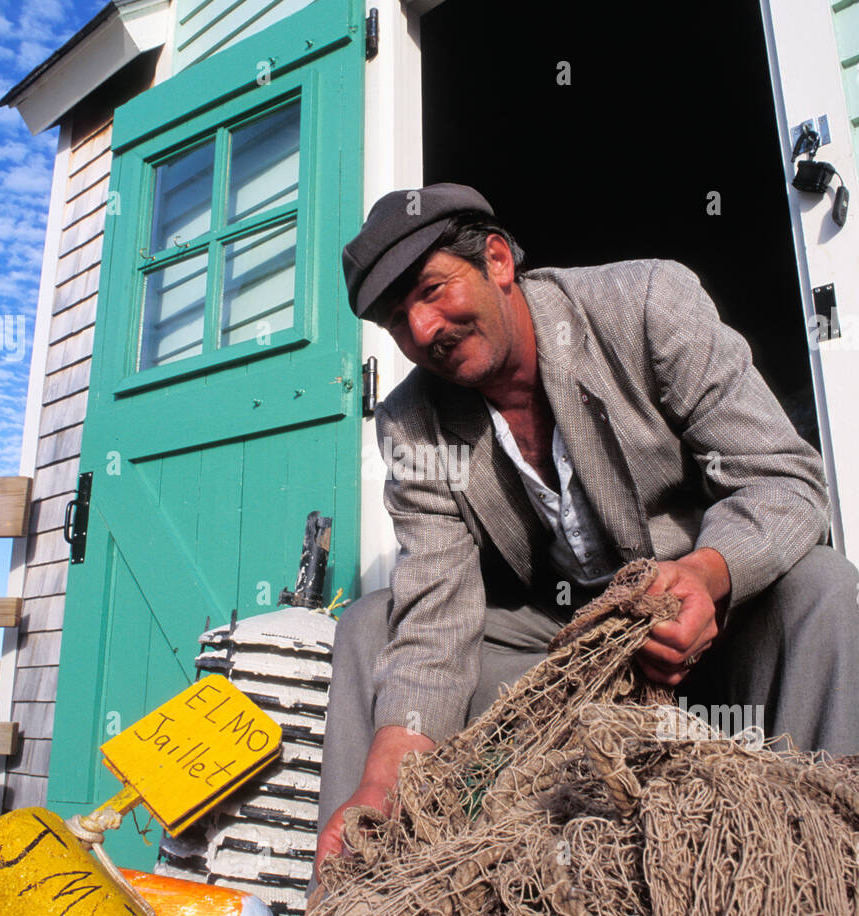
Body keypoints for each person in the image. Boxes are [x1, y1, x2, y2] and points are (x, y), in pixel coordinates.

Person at [314, 184, 859, 877]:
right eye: (397, 320)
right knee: (369, 624)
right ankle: (367, 900)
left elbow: (782, 480)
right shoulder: (410, 422)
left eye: (432, 290)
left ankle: (821, 869)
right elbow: (435, 617)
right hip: (565, 645)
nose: (423, 331)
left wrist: (707, 576)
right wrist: (384, 783)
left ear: (499, 261)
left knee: (823, 586)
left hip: (696, 617)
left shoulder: (647, 304)